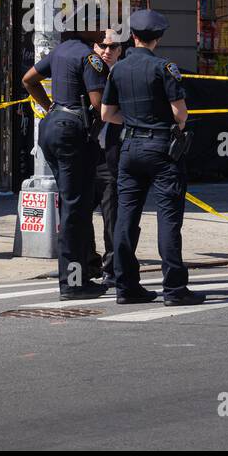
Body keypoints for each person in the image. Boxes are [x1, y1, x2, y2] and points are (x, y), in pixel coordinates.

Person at [101, 9, 205, 307]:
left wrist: (135, 121)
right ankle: (174, 289)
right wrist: (165, 125)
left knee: (125, 219)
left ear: (132, 36)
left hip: (129, 149)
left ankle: (126, 286)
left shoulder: (118, 69)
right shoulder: (165, 68)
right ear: (157, 38)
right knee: (168, 219)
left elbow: (107, 114)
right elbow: (180, 114)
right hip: (161, 149)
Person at [22, 29, 108, 299]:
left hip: (51, 127)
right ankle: (72, 283)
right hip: (72, 130)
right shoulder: (88, 58)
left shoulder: (59, 52)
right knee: (75, 209)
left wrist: (49, 106)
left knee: (74, 204)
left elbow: (28, 80)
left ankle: (80, 274)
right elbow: (98, 104)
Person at [88, 28, 126, 283]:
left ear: (120, 50)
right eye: (103, 46)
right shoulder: (88, 70)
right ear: (94, 47)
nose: (107, 51)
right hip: (87, 152)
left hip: (113, 153)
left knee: (111, 213)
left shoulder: (123, 74)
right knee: (79, 211)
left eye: (113, 47)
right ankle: (90, 263)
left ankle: (112, 268)